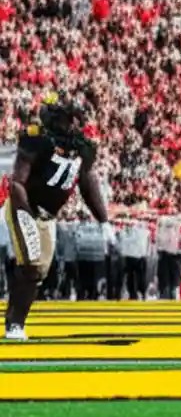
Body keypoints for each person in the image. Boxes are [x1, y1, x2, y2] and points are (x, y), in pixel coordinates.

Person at [4, 98, 111, 339]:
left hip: (48, 217)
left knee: (38, 271)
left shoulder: (83, 148)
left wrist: (103, 220)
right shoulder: (37, 140)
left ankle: (13, 316)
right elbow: (18, 182)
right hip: (25, 207)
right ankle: (15, 324)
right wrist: (26, 215)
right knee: (31, 266)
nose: (72, 125)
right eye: (67, 119)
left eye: (74, 120)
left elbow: (87, 182)